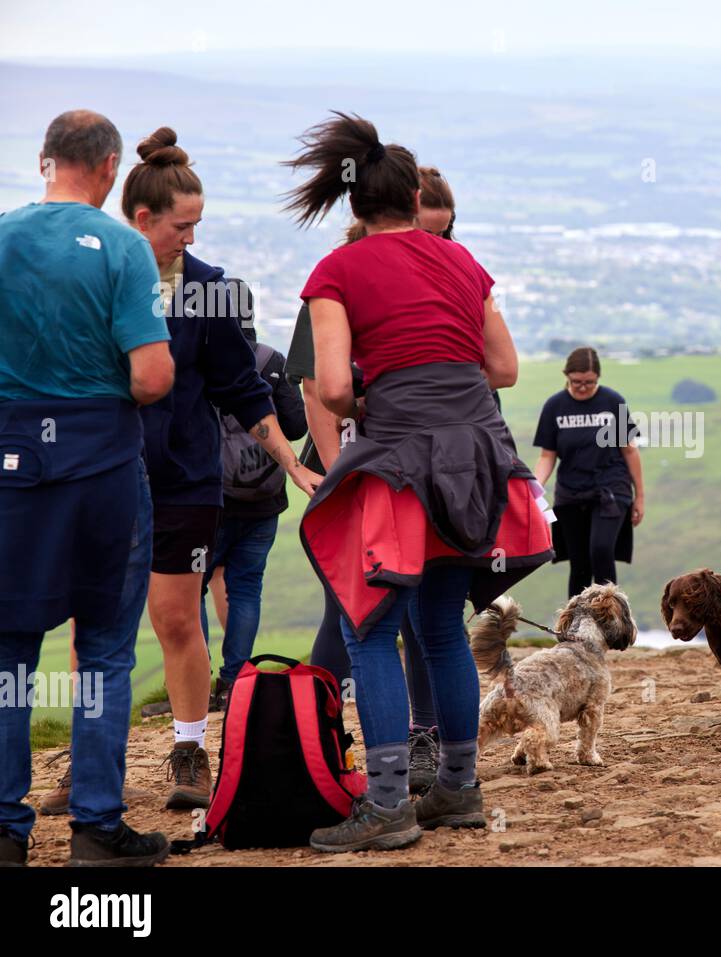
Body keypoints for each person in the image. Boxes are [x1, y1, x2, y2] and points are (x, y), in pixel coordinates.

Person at [284, 112, 554, 852]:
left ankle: (387, 802)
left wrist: (374, 387)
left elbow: (333, 387)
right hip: (476, 456)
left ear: (354, 204)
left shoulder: (337, 272)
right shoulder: (463, 263)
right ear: (412, 199)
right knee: (439, 628)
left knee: (368, 626)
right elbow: (503, 370)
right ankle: (460, 789)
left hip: (399, 458)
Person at [124, 127, 322, 809]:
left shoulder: (213, 291)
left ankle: (190, 751)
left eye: (198, 225)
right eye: (182, 226)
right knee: (106, 623)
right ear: (142, 219)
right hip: (107, 478)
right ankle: (90, 761)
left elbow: (244, 390)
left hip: (186, 481)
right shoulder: (102, 279)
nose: (191, 238)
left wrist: (292, 463)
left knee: (178, 618)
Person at [0, 110, 175, 866]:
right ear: (109, 167)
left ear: (45, 162)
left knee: (9, 654)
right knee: (103, 649)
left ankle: (5, 830)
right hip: (100, 465)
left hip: (10, 466)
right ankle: (97, 829)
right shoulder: (124, 248)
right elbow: (151, 375)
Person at [285, 166, 467, 793]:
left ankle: (420, 747)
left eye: (444, 234)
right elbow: (316, 389)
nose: (434, 243)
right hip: (366, 464)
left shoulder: (438, 270)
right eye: (426, 228)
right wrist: (340, 469)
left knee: (425, 620)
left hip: (424, 463)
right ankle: (319, 741)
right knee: (354, 613)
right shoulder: (341, 276)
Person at [200, 285, 308, 709]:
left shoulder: (201, 359)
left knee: (193, 589)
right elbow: (296, 428)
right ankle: (235, 681)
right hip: (264, 499)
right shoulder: (270, 359)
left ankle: (195, 678)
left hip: (210, 498)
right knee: (246, 588)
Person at [533, 347, 645, 598]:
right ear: (567, 377)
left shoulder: (611, 402)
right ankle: (575, 626)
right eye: (576, 382)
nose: (582, 387)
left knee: (601, 550)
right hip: (571, 493)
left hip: (611, 489)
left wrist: (640, 496)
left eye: (589, 383)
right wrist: (534, 490)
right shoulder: (555, 406)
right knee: (579, 562)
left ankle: (611, 619)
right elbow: (547, 456)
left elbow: (629, 451)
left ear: (598, 379)